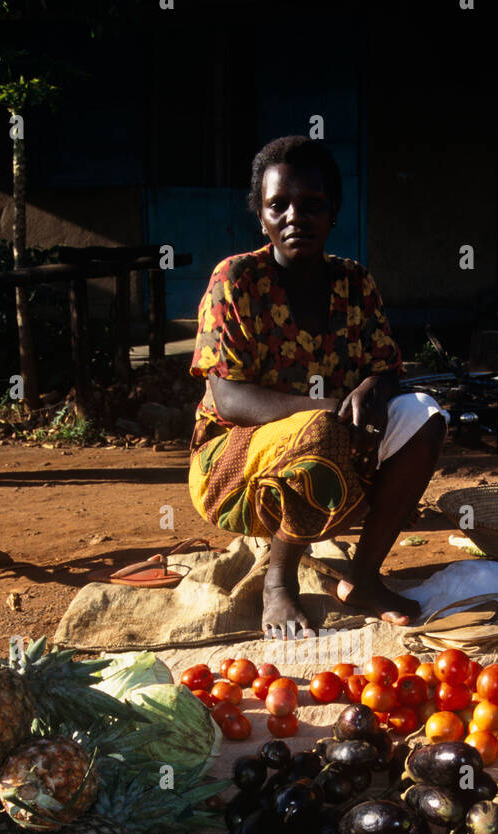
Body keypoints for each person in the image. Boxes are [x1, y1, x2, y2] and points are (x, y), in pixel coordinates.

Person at [189, 135, 447, 639]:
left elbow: (386, 367)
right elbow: (227, 397)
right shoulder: (236, 280)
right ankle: (278, 583)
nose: (294, 217)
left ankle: (365, 578)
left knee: (426, 416)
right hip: (231, 469)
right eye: (277, 205)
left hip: (336, 453)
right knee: (322, 426)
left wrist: (374, 388)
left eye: (311, 205)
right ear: (259, 215)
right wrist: (331, 409)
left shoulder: (355, 283)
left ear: (334, 212)